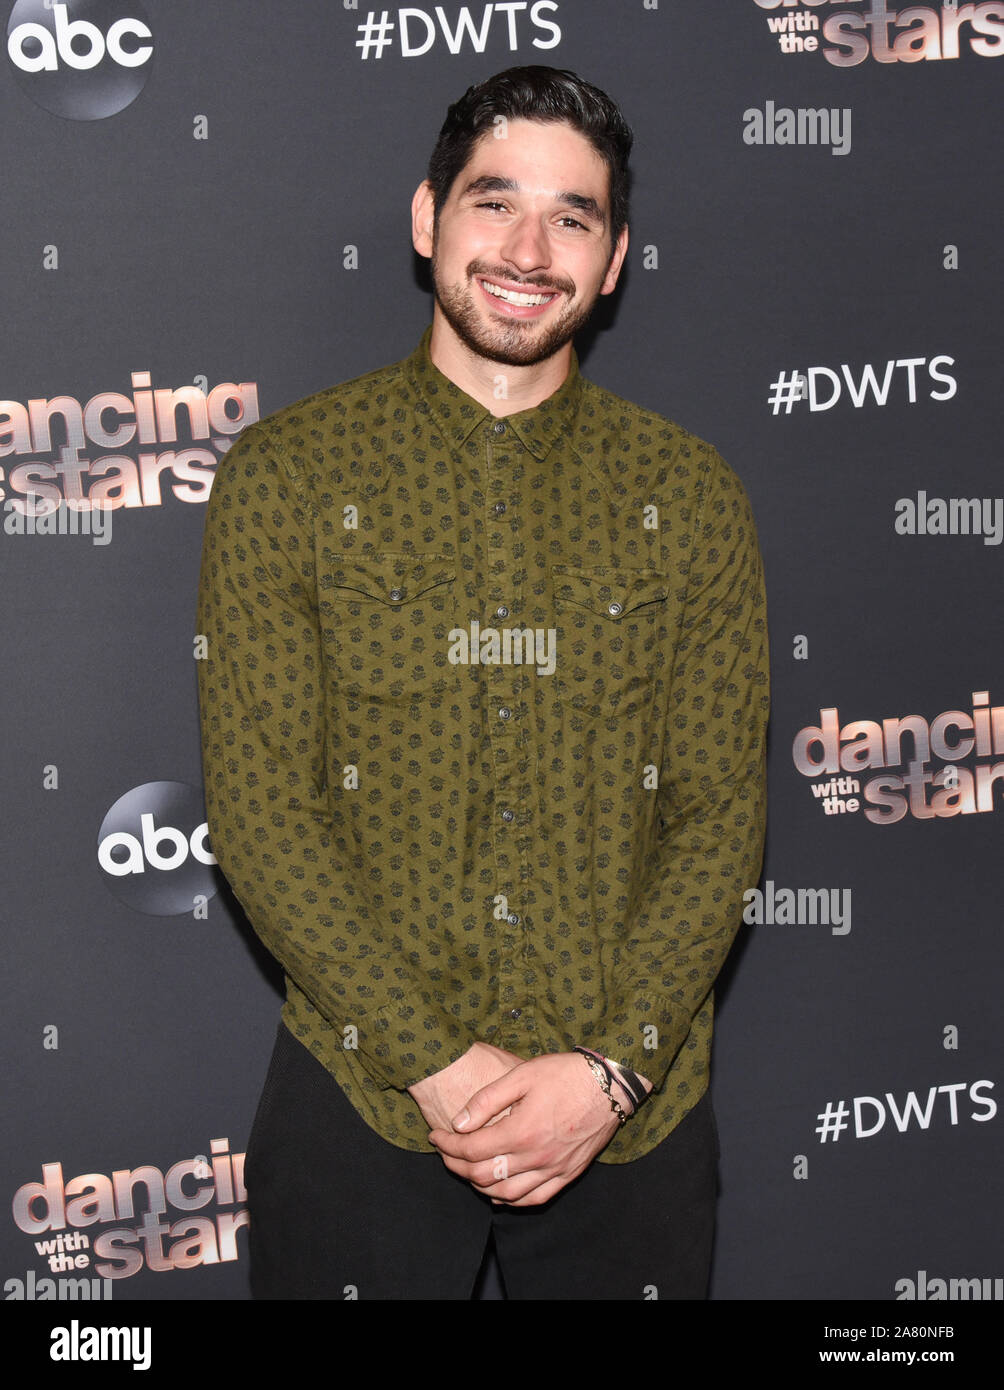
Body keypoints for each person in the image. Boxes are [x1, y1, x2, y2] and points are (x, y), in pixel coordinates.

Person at [195, 64, 769, 1301]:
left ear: (613, 259)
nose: (528, 247)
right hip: (364, 1104)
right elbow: (261, 809)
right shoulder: (286, 476)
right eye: (492, 201)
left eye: (572, 216)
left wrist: (610, 1072)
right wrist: (434, 1063)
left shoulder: (692, 495)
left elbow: (718, 811)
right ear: (425, 219)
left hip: (631, 1124)